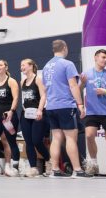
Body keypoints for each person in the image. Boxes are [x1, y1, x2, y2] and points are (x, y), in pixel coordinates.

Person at [36, 41, 85, 178]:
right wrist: (80, 104)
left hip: (51, 107)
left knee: (56, 138)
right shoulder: (67, 64)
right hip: (65, 105)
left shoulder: (46, 67)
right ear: (65, 48)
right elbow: (73, 86)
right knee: (70, 138)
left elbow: (45, 91)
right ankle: (77, 170)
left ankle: (55, 170)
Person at [79, 49, 106, 178]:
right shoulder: (86, 73)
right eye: (103, 57)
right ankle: (93, 164)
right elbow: (78, 89)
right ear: (96, 58)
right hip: (92, 111)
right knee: (89, 136)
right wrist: (82, 83)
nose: (105, 60)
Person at [15, 59, 49, 177]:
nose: (22, 67)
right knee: (28, 142)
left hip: (37, 114)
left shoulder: (38, 79)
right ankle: (33, 168)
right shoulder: (22, 81)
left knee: (36, 141)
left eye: (23, 65)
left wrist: (40, 110)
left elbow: (44, 95)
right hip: (25, 115)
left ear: (31, 66)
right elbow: (23, 98)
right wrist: (24, 108)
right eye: (21, 65)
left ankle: (49, 160)